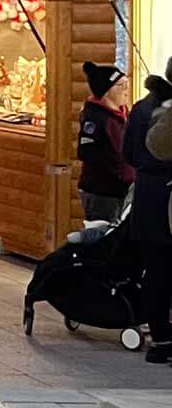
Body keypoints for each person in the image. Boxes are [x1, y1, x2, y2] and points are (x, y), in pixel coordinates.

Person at [132, 65, 172, 362]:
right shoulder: (161, 112)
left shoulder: (144, 108)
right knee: (159, 272)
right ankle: (161, 338)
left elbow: (131, 153)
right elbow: (155, 147)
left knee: (156, 272)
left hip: (149, 198)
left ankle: (160, 336)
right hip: (162, 202)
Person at [78, 62, 132, 224]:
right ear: (106, 91)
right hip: (102, 192)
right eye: (120, 85)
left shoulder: (123, 114)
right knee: (102, 237)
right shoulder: (96, 118)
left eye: (127, 84)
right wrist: (117, 170)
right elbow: (86, 152)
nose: (126, 89)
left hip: (122, 190)